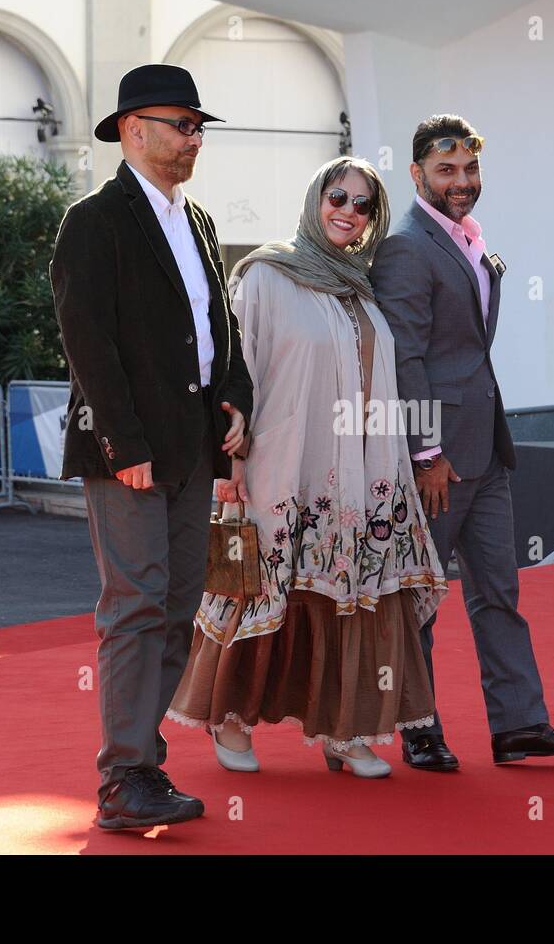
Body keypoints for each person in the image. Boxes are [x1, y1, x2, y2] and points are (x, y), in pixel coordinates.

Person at [167, 156, 448, 779]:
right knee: (260, 588)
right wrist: (231, 459)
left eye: (363, 204)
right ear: (314, 200)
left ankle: (345, 731)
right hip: (280, 467)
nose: (348, 211)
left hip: (362, 470)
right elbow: (236, 375)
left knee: (349, 593)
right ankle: (231, 719)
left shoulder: (363, 288)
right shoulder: (267, 275)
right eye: (337, 196)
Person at [51, 64, 253, 830]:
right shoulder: (94, 221)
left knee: (174, 607)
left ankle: (143, 759)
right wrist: (121, 440)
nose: (194, 137)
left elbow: (219, 328)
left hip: (193, 445)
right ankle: (124, 777)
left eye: (199, 126)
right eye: (182, 123)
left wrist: (238, 401)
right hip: (127, 449)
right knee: (135, 605)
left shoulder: (196, 220)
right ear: (134, 129)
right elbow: (87, 341)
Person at [369, 114, 554, 770]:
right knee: (419, 599)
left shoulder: (466, 237)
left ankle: (520, 725)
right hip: (438, 459)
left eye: (470, 169)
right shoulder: (407, 246)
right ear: (417, 175)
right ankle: (418, 726)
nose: (462, 181)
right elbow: (404, 357)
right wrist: (424, 453)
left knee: (499, 593)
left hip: (487, 448)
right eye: (447, 170)